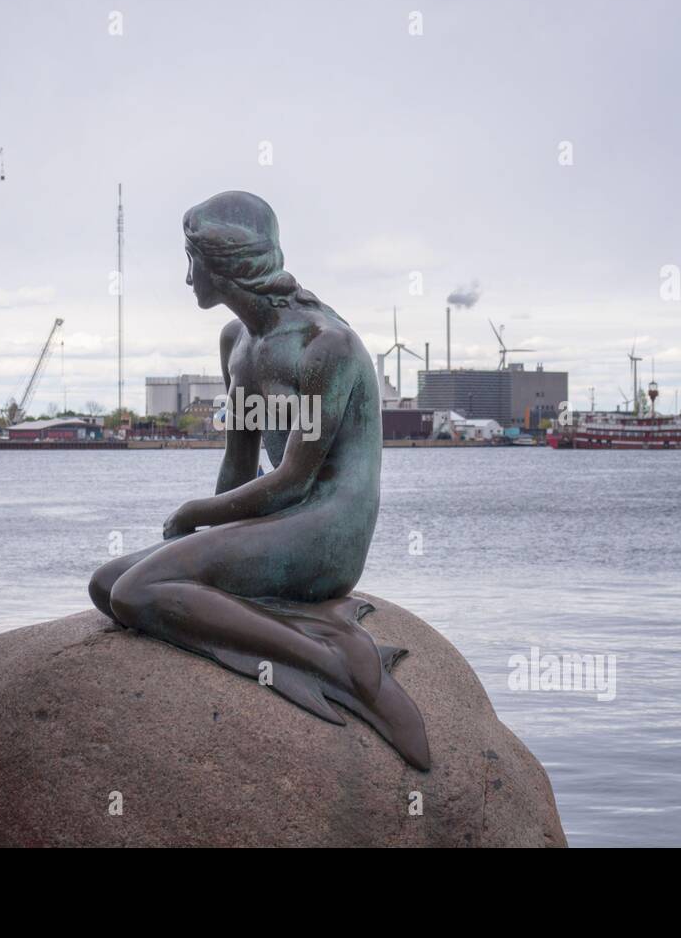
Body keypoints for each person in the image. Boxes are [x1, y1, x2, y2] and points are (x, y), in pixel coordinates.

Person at [89, 191, 429, 770]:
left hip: (328, 529)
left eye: (192, 259)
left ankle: (336, 662)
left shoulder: (327, 346)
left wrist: (196, 516)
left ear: (225, 265)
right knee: (107, 584)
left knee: (136, 592)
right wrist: (193, 540)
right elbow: (240, 466)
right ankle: (278, 623)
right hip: (279, 519)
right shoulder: (237, 344)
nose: (187, 275)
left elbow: (296, 480)